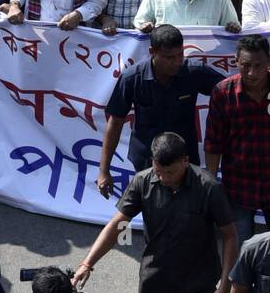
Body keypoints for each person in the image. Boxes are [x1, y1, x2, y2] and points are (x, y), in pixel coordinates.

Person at [73, 132, 238, 293]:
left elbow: (230, 236)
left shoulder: (209, 187)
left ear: (185, 161)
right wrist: (87, 263)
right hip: (155, 281)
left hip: (197, 286)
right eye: (158, 171)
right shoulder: (143, 181)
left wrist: (224, 286)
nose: (163, 178)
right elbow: (118, 226)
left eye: (169, 173)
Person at [96, 24, 226, 194]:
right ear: (152, 52)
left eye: (180, 54)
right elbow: (115, 123)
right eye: (169, 57)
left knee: (188, 216)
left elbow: (230, 91)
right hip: (146, 163)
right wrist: (104, 171)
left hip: (185, 163)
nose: (177, 62)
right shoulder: (132, 79)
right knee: (151, 216)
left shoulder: (194, 72)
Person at [203, 35, 270, 245]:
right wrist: (211, 186)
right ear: (236, 61)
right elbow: (214, 142)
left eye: (259, 66)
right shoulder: (223, 92)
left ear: (268, 62)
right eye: (246, 65)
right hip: (239, 185)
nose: (252, 73)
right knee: (240, 251)